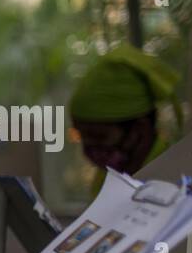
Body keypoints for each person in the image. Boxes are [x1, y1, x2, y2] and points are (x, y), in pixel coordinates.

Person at [69, 44, 183, 193]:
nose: (89, 148)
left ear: (140, 128)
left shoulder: (176, 181)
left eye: (99, 136)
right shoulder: (105, 178)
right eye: (81, 135)